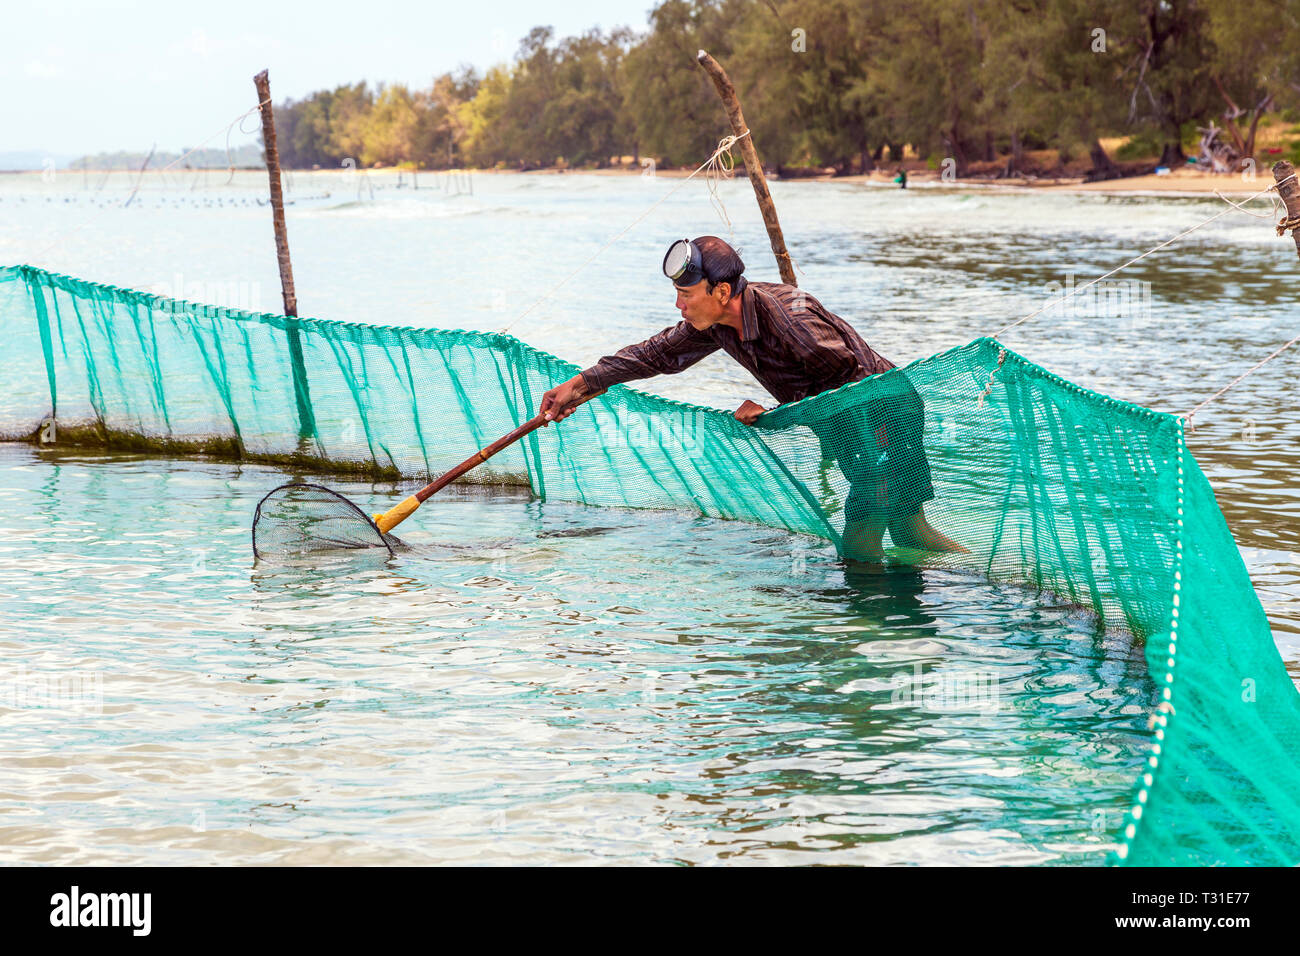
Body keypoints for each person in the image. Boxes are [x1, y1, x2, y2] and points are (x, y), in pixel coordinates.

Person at [538, 236, 964, 565]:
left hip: (885, 414)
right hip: (851, 422)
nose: (678, 304)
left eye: (687, 294)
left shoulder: (792, 320)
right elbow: (657, 355)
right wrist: (579, 385)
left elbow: (849, 382)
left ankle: (869, 628)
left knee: (860, 538)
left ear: (721, 292)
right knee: (908, 528)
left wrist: (775, 414)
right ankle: (967, 576)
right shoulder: (718, 322)